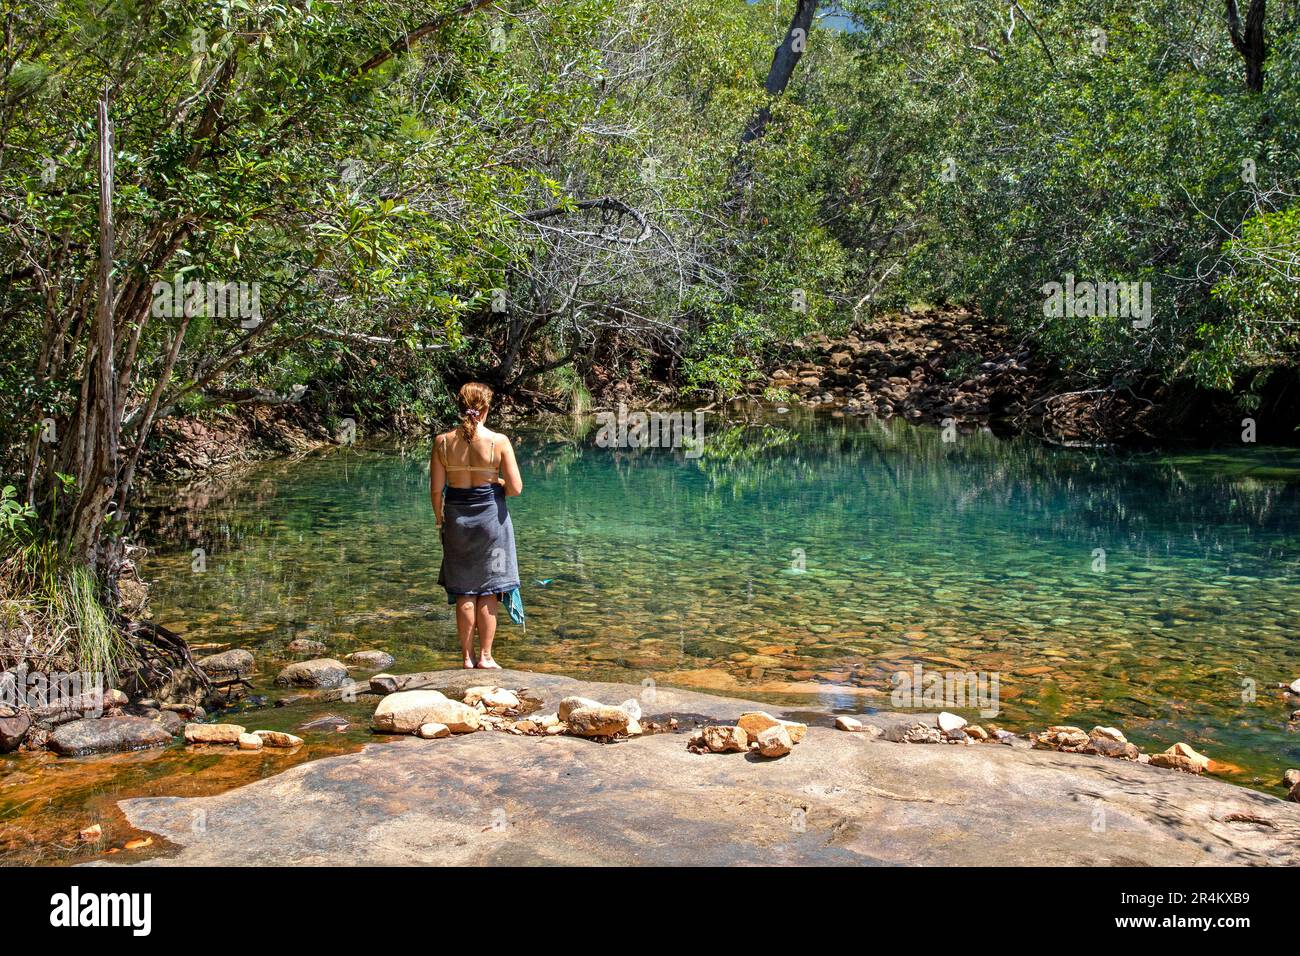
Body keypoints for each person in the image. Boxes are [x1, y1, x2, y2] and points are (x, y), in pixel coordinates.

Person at [431, 382, 524, 669]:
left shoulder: (443, 442)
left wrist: (439, 519)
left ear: (461, 407)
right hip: (491, 524)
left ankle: (467, 658)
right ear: (485, 408)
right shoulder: (499, 441)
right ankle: (485, 656)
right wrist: (497, 483)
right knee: (490, 589)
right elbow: (516, 489)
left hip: (457, 521)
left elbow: (436, 491)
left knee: (465, 589)